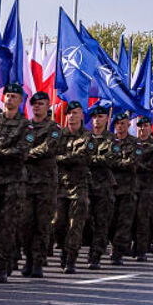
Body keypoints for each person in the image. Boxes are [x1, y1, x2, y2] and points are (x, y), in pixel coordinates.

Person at [0, 82, 30, 283]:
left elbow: (20, 151)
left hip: (13, 181)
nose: (10, 99)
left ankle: (1, 266)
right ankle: (4, 256)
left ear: (20, 101)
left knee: (7, 225)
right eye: (7, 95)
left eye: (14, 96)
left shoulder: (26, 125)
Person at [19, 91, 61, 277]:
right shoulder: (25, 127)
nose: (37, 106)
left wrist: (24, 154)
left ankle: (38, 261)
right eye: (34, 104)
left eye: (41, 104)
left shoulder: (53, 128)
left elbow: (48, 148)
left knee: (42, 224)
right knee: (26, 223)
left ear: (48, 106)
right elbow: (17, 144)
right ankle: (28, 258)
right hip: (26, 182)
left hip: (45, 184)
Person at [52, 101, 90, 273]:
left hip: (79, 186)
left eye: (76, 113)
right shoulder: (59, 135)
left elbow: (82, 157)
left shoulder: (88, 137)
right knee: (59, 223)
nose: (72, 116)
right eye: (70, 113)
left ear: (82, 115)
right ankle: (63, 248)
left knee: (75, 224)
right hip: (60, 186)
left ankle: (71, 258)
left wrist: (60, 158)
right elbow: (50, 152)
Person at [85, 103, 116, 270]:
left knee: (101, 222)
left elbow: (110, 158)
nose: (97, 120)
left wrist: (88, 159)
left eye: (101, 117)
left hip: (103, 187)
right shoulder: (86, 137)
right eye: (95, 117)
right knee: (84, 221)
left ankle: (95, 254)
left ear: (107, 119)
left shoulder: (112, 139)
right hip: (85, 185)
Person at [108, 111, 139, 265]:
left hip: (127, 189)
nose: (120, 126)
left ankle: (118, 252)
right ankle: (113, 244)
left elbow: (132, 162)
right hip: (110, 188)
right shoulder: (110, 142)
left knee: (124, 222)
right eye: (118, 124)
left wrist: (113, 163)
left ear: (128, 124)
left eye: (123, 123)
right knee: (110, 221)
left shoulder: (135, 143)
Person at [133, 115, 153, 262]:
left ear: (150, 128)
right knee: (129, 218)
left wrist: (135, 165)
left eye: (145, 126)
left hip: (146, 188)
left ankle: (141, 249)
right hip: (131, 186)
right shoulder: (133, 143)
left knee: (143, 219)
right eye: (140, 126)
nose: (142, 129)